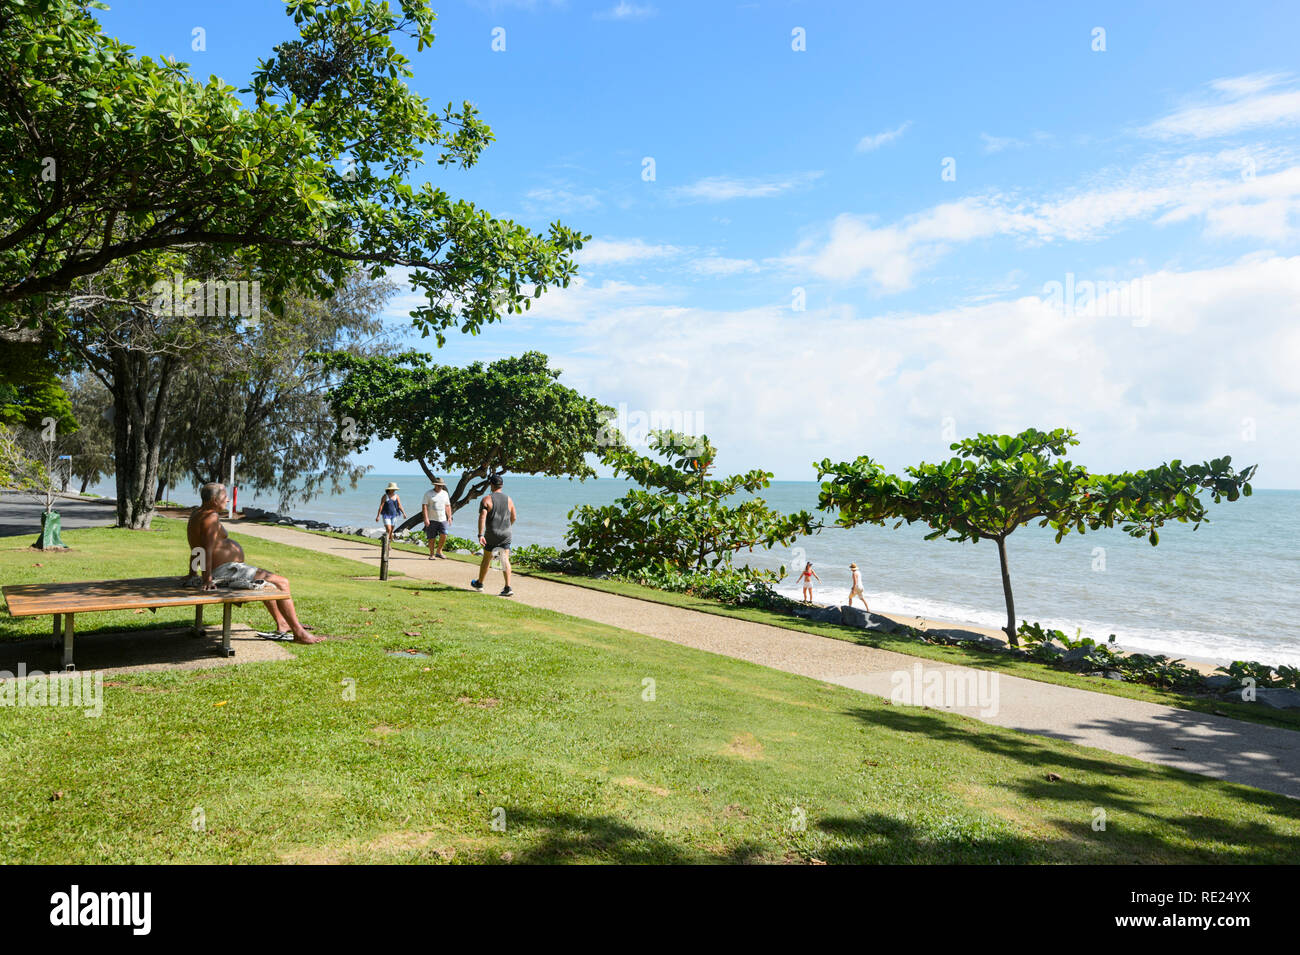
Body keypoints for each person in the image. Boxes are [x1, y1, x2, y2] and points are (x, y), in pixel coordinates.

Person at [185, 483, 322, 644]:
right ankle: (299, 633)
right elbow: (206, 549)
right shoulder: (211, 517)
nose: (228, 499)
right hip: (226, 571)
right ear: (214, 500)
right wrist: (207, 578)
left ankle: (283, 623)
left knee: (267, 584)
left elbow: (196, 549)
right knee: (282, 583)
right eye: (225, 496)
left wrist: (193, 574)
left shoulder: (197, 514)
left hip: (225, 570)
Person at [470, 474, 517, 597]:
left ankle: (479, 584)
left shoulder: (486, 499)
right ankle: (507, 587)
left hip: (492, 534)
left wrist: (480, 534)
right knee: (505, 559)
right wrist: (507, 527)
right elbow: (514, 517)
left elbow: (482, 517)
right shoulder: (509, 499)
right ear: (501, 485)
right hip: (506, 534)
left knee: (486, 559)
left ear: (491, 485)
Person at [421, 478, 453, 559]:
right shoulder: (428, 493)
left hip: (443, 519)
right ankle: (432, 554)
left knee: (444, 535)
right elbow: (424, 506)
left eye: (441, 486)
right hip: (431, 519)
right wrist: (426, 518)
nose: (440, 487)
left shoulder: (445, 493)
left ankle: (439, 551)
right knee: (432, 537)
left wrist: (449, 517)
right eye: (438, 485)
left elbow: (448, 506)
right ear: (435, 485)